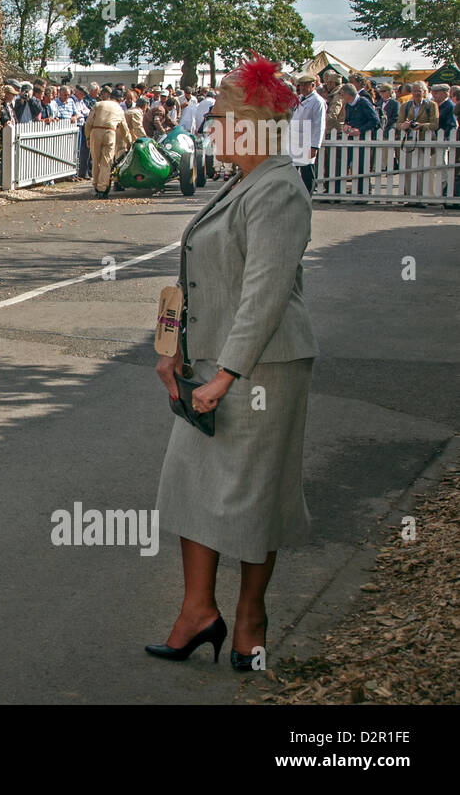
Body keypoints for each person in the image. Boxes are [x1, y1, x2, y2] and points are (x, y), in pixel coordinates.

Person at [147, 54, 317, 673]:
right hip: (211, 365)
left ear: (251, 124)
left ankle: (250, 619)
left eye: (220, 117)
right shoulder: (239, 182)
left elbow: (265, 294)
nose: (210, 126)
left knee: (251, 500)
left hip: (261, 367)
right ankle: (198, 612)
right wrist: (169, 353)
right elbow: (188, 281)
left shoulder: (278, 188)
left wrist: (226, 375)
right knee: (190, 485)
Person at [85, 88, 130, 198]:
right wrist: (128, 141)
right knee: (107, 161)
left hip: (96, 131)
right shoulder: (119, 109)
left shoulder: (98, 104)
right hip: (110, 132)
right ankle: (102, 188)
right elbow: (124, 128)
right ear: (120, 100)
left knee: (96, 160)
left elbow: (89, 121)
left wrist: (88, 137)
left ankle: (95, 185)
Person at [340, 83, 380, 196]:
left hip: (364, 138)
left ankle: (364, 191)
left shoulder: (363, 102)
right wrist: (347, 125)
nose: (342, 97)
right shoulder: (348, 105)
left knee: (362, 165)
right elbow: (348, 119)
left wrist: (360, 130)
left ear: (348, 94)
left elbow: (374, 120)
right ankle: (356, 190)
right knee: (353, 165)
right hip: (352, 138)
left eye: (343, 95)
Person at [289, 75, 326, 194]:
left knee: (307, 173)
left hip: (307, 141)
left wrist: (315, 146)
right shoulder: (299, 98)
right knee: (292, 172)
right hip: (295, 141)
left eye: (306, 85)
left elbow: (319, 125)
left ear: (313, 85)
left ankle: (308, 196)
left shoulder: (317, 101)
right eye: (302, 85)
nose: (303, 87)